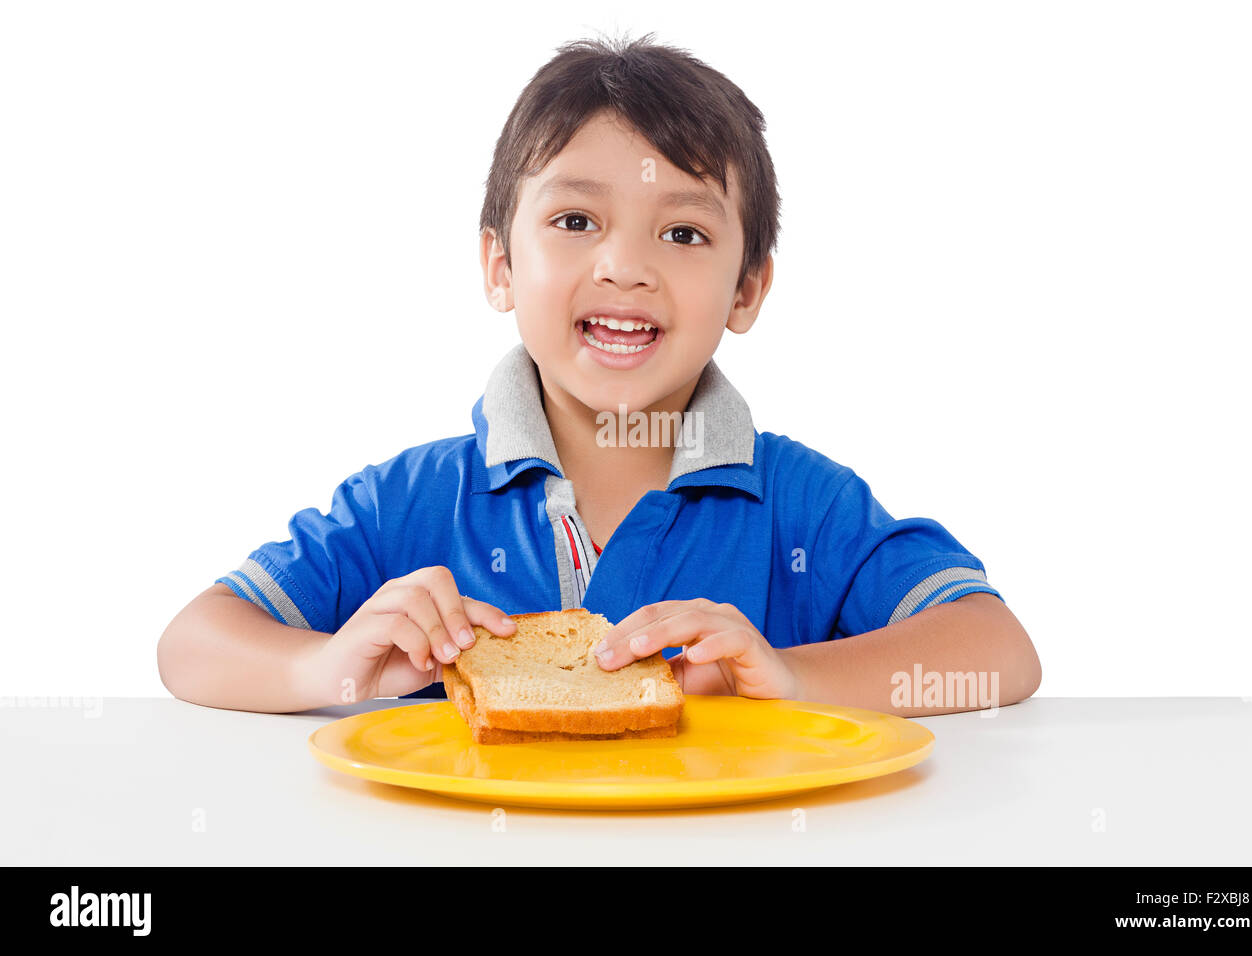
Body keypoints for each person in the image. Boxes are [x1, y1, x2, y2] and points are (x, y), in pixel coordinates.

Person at [158, 32, 1041, 717]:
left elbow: (996, 649)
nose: (625, 266)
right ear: (499, 265)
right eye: (577, 219)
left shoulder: (802, 507)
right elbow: (192, 644)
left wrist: (778, 676)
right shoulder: (409, 505)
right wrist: (326, 666)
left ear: (748, 287)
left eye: (684, 233)